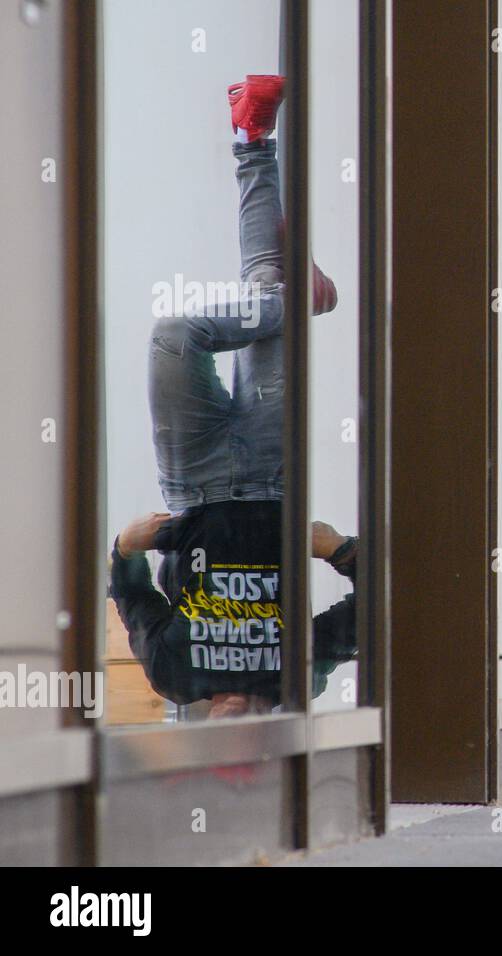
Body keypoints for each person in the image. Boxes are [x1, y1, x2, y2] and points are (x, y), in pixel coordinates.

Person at [109, 75, 355, 718]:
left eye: (223, 745)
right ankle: (251, 138)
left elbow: (129, 595)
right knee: (267, 282)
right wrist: (337, 550)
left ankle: (290, 303)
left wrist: (125, 548)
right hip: (273, 478)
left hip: (191, 483)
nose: (238, 729)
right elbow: (382, 608)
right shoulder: (296, 679)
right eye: (257, 747)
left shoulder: (172, 677)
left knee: (173, 336)